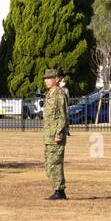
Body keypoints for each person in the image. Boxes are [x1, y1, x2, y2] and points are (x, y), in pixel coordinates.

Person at [42, 68, 68, 200]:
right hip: (48, 135)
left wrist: (59, 133)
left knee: (55, 163)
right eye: (45, 78)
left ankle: (60, 191)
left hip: (56, 136)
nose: (46, 81)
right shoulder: (49, 94)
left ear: (57, 79)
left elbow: (63, 116)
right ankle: (57, 189)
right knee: (48, 164)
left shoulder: (59, 94)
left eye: (49, 78)